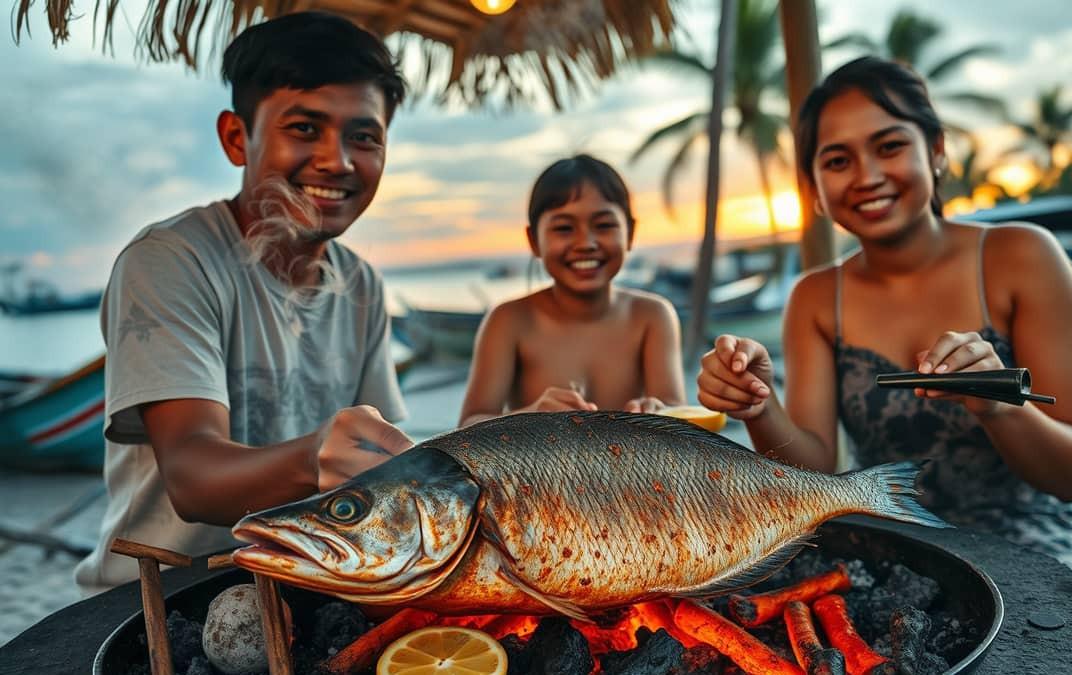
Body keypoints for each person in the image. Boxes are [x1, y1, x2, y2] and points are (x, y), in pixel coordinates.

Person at [696, 57, 1072, 584]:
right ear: (815, 188)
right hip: (890, 531)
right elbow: (816, 471)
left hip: (1026, 530)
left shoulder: (1022, 256)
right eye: (837, 160)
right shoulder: (817, 296)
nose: (867, 176)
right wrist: (758, 403)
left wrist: (998, 407)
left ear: (935, 151)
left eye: (889, 146)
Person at [75, 12, 414, 594]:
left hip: (302, 592)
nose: (337, 161)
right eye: (305, 129)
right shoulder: (171, 260)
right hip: (154, 601)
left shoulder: (361, 286)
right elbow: (192, 477)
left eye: (364, 136)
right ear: (237, 138)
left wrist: (512, 433)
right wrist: (316, 458)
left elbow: (380, 452)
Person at [459, 155, 686, 425]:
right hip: (536, 467)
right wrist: (529, 417)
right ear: (534, 241)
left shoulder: (652, 316)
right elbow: (468, 425)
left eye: (603, 225)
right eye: (564, 228)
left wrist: (659, 412)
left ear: (631, 233)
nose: (586, 243)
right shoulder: (508, 321)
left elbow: (677, 415)